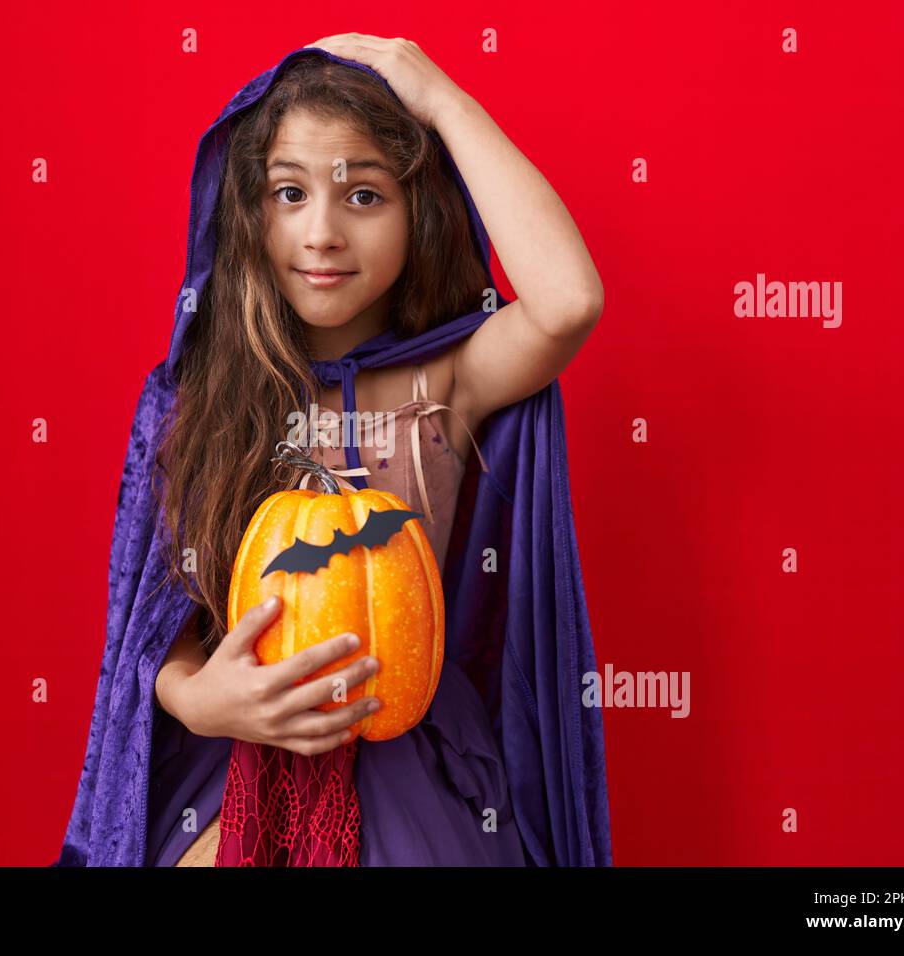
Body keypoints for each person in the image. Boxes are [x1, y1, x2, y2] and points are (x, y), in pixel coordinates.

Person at [55, 36, 612, 868]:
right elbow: (148, 620)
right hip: (231, 760)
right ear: (248, 211)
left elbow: (568, 302)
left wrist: (440, 99)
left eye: (364, 194)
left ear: (417, 210)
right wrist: (200, 698)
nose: (321, 233)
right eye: (289, 192)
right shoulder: (191, 398)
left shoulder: (445, 382)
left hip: (409, 761)